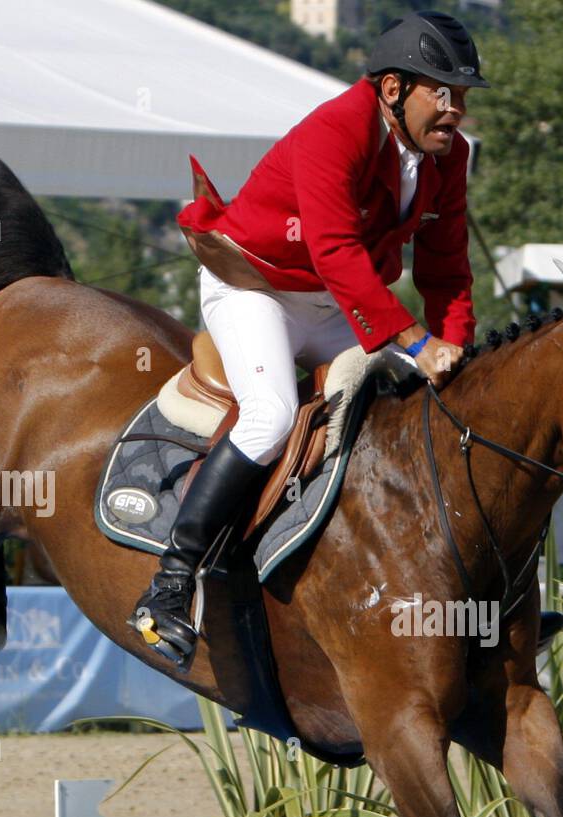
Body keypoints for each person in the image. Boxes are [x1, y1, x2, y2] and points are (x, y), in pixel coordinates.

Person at [131, 10, 485, 668]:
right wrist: (413, 340)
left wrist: (453, 346)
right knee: (268, 417)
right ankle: (169, 587)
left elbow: (446, 268)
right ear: (391, 90)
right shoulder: (336, 129)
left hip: (334, 304)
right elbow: (334, 250)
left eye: (461, 96)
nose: (456, 110)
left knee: (412, 407)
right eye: (444, 93)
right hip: (255, 289)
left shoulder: (451, 158)